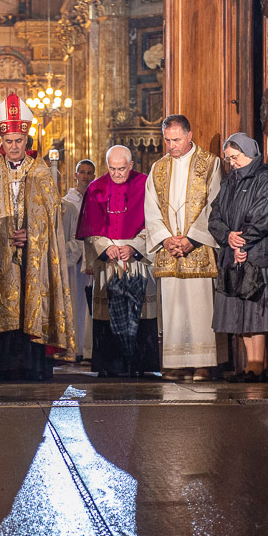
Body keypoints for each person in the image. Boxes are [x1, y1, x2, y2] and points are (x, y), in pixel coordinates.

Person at [0, 93, 76, 380]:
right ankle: (1, 367)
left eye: (18, 141)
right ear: (1, 143)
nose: (14, 147)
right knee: (2, 303)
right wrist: (3, 236)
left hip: (33, 256)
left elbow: (52, 217)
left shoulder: (41, 173)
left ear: (26, 141)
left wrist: (32, 234)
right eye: (9, 142)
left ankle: (34, 366)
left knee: (31, 302)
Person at [144, 115, 225, 381]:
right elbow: (151, 208)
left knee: (201, 307)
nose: (171, 146)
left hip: (198, 246)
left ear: (190, 136)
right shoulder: (158, 168)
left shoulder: (211, 164)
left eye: (176, 140)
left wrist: (192, 237)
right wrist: (166, 238)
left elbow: (214, 203)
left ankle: (203, 363)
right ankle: (176, 363)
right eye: (167, 140)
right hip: (169, 250)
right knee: (174, 309)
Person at [207, 133, 268, 383]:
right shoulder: (229, 181)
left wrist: (243, 241)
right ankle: (247, 365)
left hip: (257, 253)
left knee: (254, 313)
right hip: (234, 253)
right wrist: (228, 236)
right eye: (229, 159)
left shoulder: (266, 178)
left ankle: (257, 365)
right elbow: (215, 216)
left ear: (249, 153)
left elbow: (265, 215)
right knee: (237, 313)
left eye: (236, 157)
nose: (233, 163)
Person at [77, 146, 160, 376]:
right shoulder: (96, 188)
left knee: (140, 312)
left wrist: (133, 246)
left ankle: (139, 365)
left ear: (131, 165)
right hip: (108, 261)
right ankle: (110, 366)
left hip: (137, 259)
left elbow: (155, 224)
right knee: (107, 314)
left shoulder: (145, 184)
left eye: (121, 169)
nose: (117, 174)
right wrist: (107, 247)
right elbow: (90, 228)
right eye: (112, 169)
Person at [62, 158, 96, 361]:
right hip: (75, 260)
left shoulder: (97, 198)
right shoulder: (67, 203)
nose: (85, 176)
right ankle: (75, 348)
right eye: (81, 172)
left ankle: (90, 349)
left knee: (91, 304)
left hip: (93, 258)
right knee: (76, 304)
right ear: (76, 175)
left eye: (89, 172)